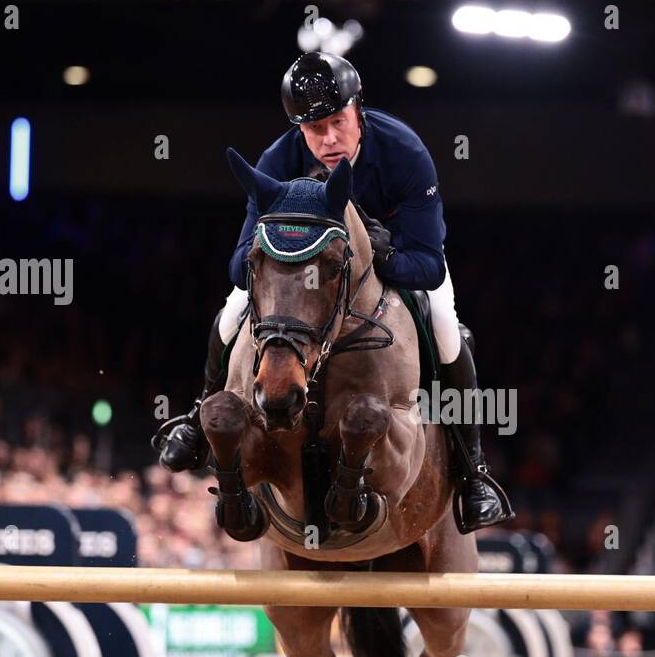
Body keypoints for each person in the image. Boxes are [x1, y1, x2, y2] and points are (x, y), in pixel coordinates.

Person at [155, 51, 513, 533]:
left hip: (394, 268)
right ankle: (199, 418)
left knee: (446, 327)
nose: (327, 139)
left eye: (337, 122)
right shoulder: (278, 161)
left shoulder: (404, 152)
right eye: (312, 127)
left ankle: (473, 472)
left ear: (357, 110)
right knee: (232, 308)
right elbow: (241, 264)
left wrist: (382, 256)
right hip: (303, 284)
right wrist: (279, 254)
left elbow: (427, 264)